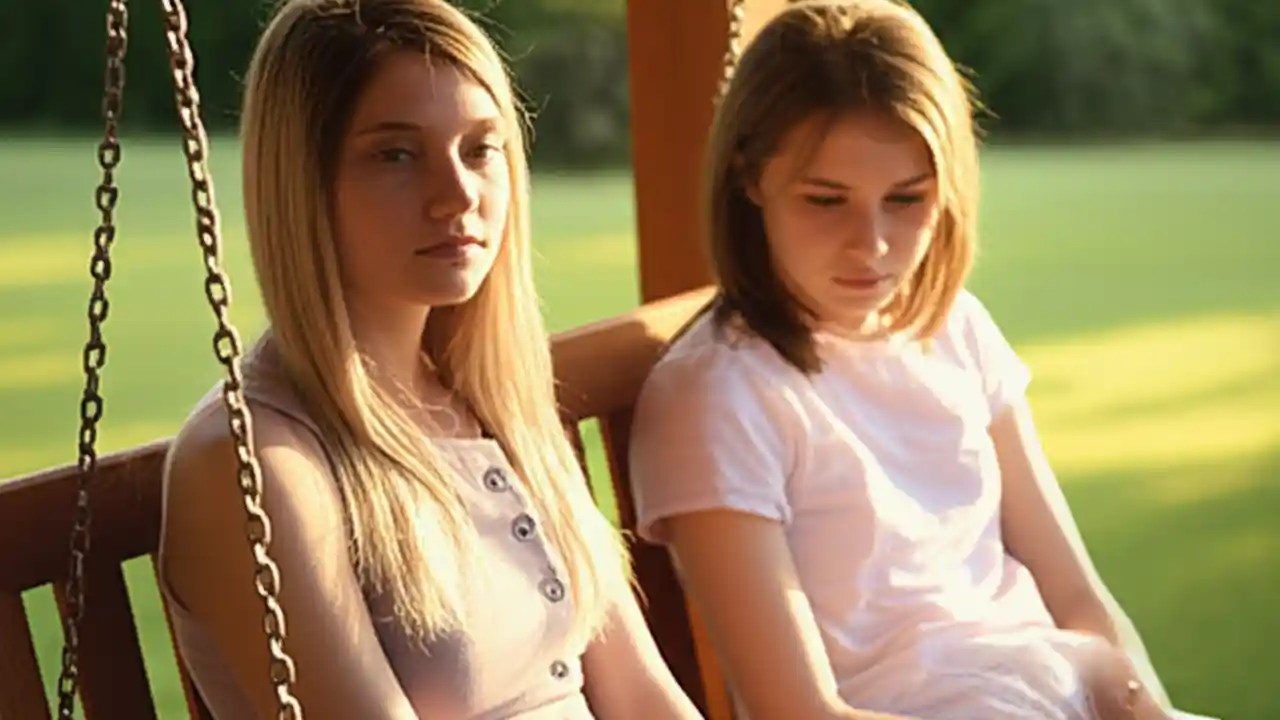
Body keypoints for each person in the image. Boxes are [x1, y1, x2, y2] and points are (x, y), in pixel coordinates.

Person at [627, 1, 1185, 718]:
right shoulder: (717, 397)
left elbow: (1078, 598)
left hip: (1065, 692)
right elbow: (798, 712)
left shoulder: (955, 328)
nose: (874, 246)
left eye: (907, 199)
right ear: (749, 178)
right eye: (826, 201)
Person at [158, 1, 701, 717]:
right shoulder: (257, 463)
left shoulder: (495, 403)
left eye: (480, 149)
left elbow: (640, 697)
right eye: (396, 154)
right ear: (303, 183)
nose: (457, 197)